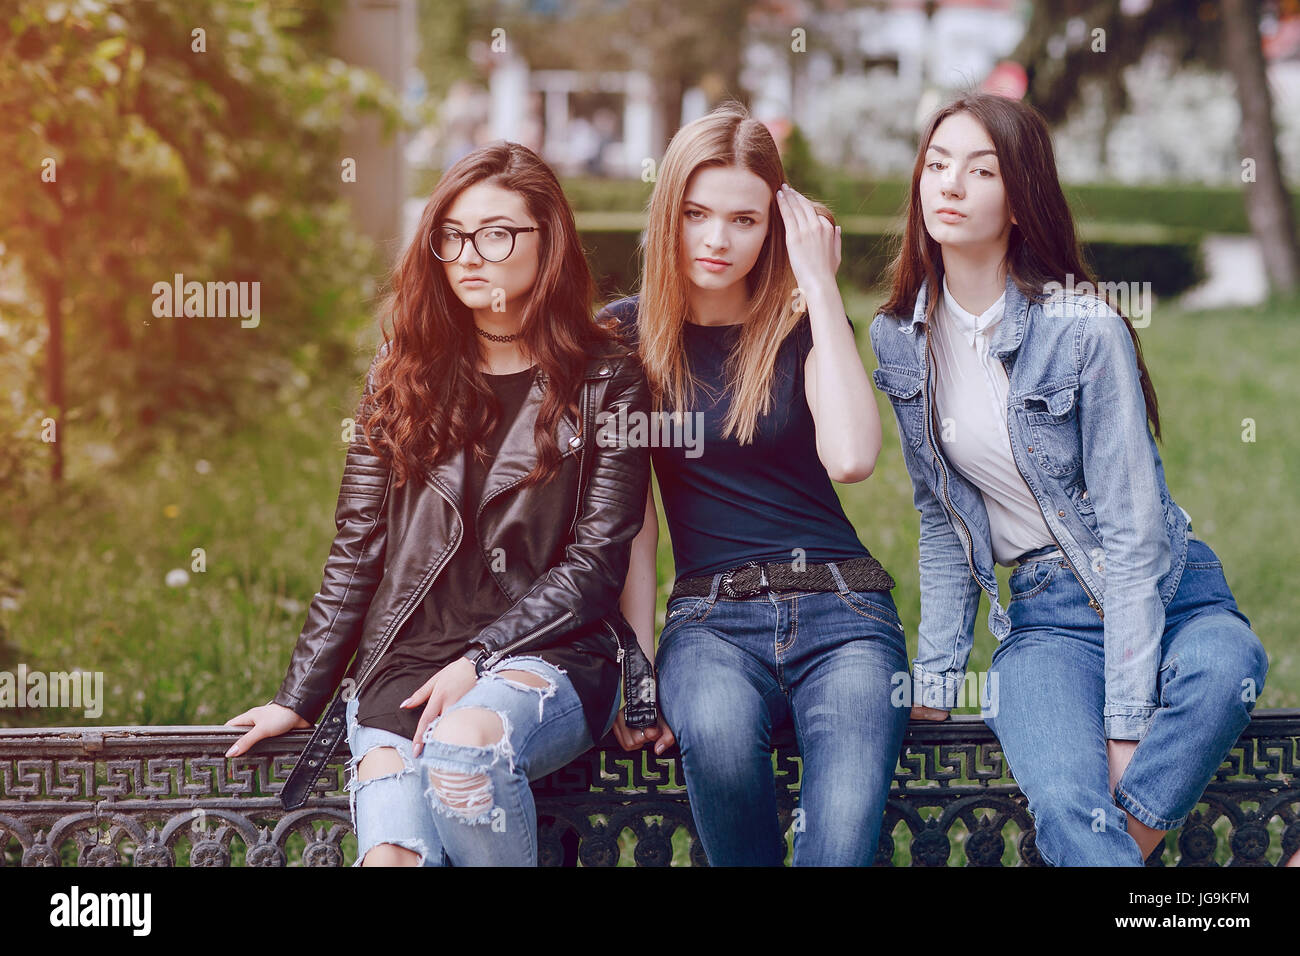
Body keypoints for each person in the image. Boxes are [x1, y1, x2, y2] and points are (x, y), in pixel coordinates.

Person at [869, 92, 1269, 866]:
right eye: (938, 164)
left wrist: (1126, 720)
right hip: (1045, 622)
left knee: (1228, 667)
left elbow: (1132, 532)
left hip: (1172, 593)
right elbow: (942, 520)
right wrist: (939, 676)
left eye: (980, 171)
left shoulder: (1083, 329)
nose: (949, 185)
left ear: (1020, 201)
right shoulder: (899, 338)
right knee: (1063, 802)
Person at [226, 141, 652, 866]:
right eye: (451, 236)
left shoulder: (607, 378)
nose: (468, 256)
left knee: (462, 753)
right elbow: (357, 548)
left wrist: (481, 660)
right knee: (392, 858)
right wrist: (298, 695)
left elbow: (596, 561)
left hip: (548, 653)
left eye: (495, 234)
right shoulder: (401, 374)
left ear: (547, 240)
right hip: (408, 662)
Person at [603, 102, 909, 866]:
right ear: (668, 211)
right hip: (710, 621)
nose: (716, 239)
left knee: (837, 847)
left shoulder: (805, 323)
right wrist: (637, 666)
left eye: (744, 219)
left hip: (844, 608)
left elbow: (852, 457)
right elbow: (632, 522)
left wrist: (820, 282)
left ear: (776, 225)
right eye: (697, 214)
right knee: (713, 737)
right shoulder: (625, 336)